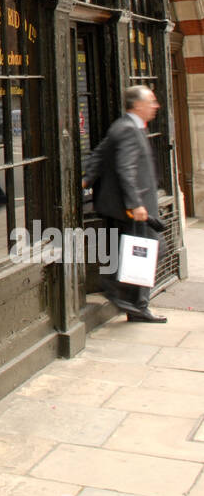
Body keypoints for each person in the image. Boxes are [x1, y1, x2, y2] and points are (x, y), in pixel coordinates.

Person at [82, 85, 167, 323]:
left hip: (136, 206)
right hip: (135, 208)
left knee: (145, 253)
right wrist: (136, 204)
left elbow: (100, 153)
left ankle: (133, 303)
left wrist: (87, 176)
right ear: (137, 105)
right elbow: (125, 169)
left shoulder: (125, 126)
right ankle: (124, 296)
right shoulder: (128, 129)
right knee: (149, 252)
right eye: (151, 101)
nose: (156, 106)